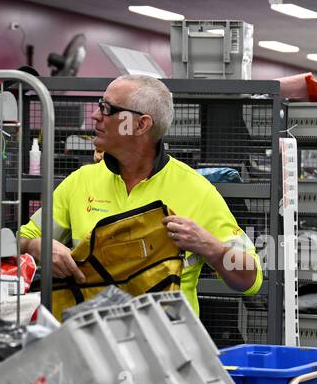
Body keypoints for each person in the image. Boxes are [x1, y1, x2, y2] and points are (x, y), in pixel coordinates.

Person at [18, 75, 260, 313]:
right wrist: (38, 245)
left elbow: (251, 279)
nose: (95, 115)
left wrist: (212, 248)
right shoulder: (80, 182)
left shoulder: (197, 191)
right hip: (89, 342)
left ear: (142, 124)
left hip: (165, 344)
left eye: (107, 108)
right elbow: (21, 241)